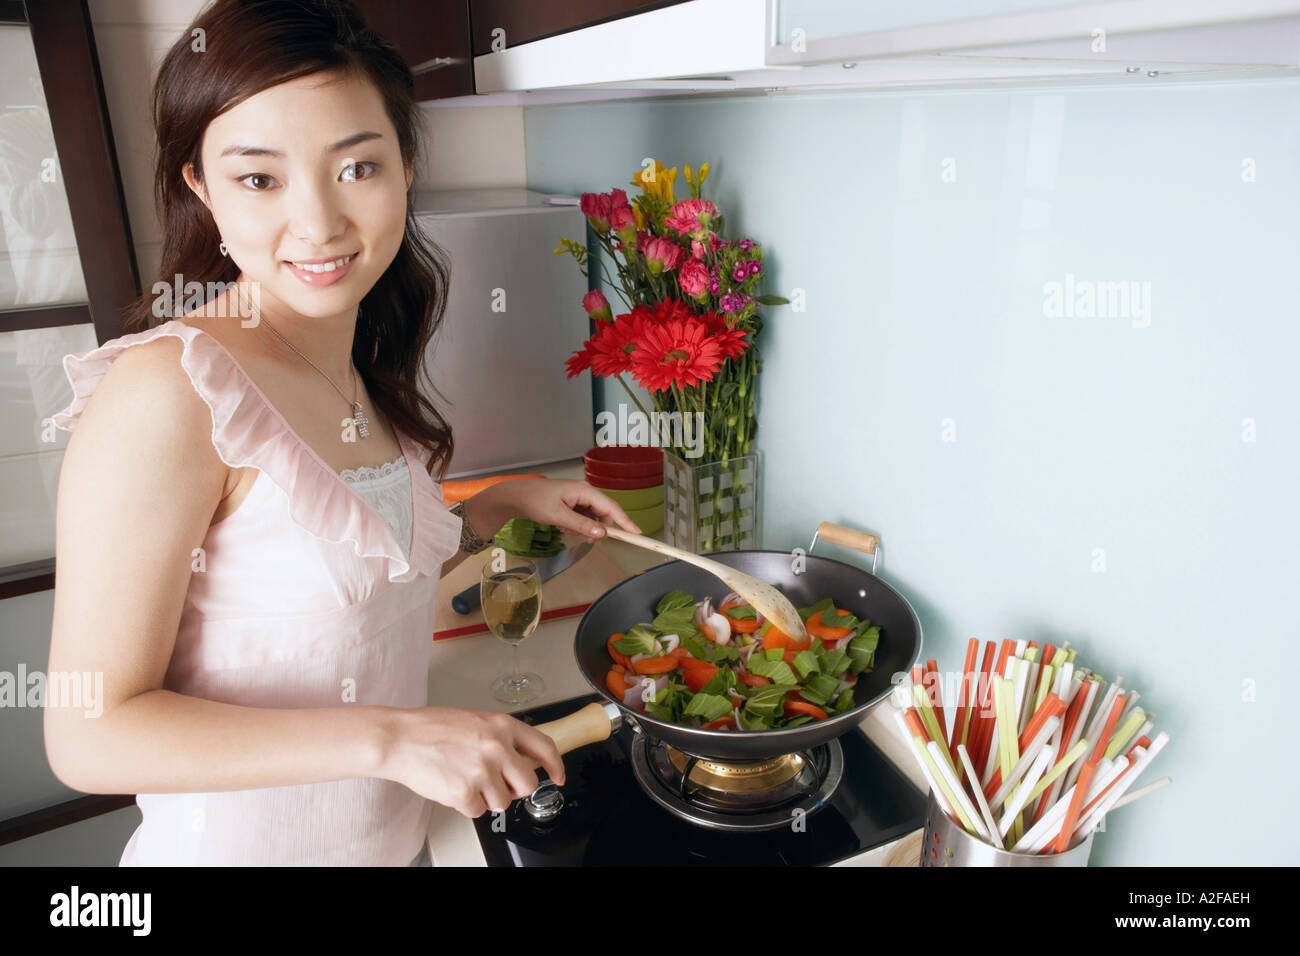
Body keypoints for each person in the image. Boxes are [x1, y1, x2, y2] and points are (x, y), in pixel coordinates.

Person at [44, 0, 640, 866]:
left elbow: (336, 579)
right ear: (200, 189)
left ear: (405, 165)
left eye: (357, 167)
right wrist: (393, 739)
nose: (319, 223)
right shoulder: (169, 394)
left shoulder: (349, 351)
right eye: (260, 178)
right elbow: (90, 734)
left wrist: (496, 508)